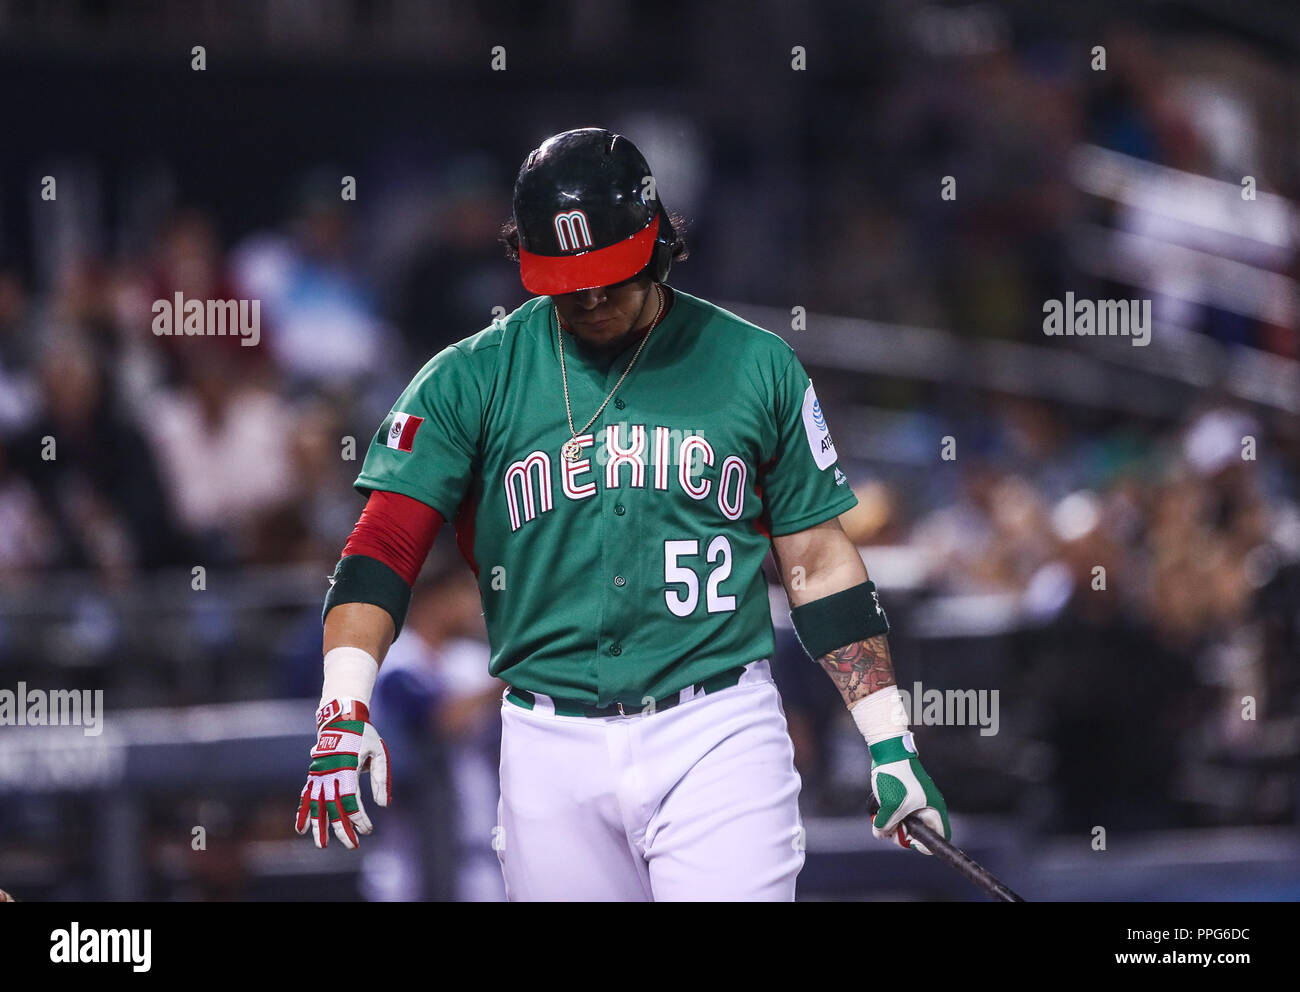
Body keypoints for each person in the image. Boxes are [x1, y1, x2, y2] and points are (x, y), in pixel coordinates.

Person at [296, 127, 949, 900]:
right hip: (546, 738)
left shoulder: (752, 362)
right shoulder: (468, 380)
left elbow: (817, 560)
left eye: (610, 275)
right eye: (570, 282)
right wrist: (343, 707)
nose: (594, 299)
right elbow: (379, 552)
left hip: (717, 728)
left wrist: (888, 740)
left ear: (659, 241)